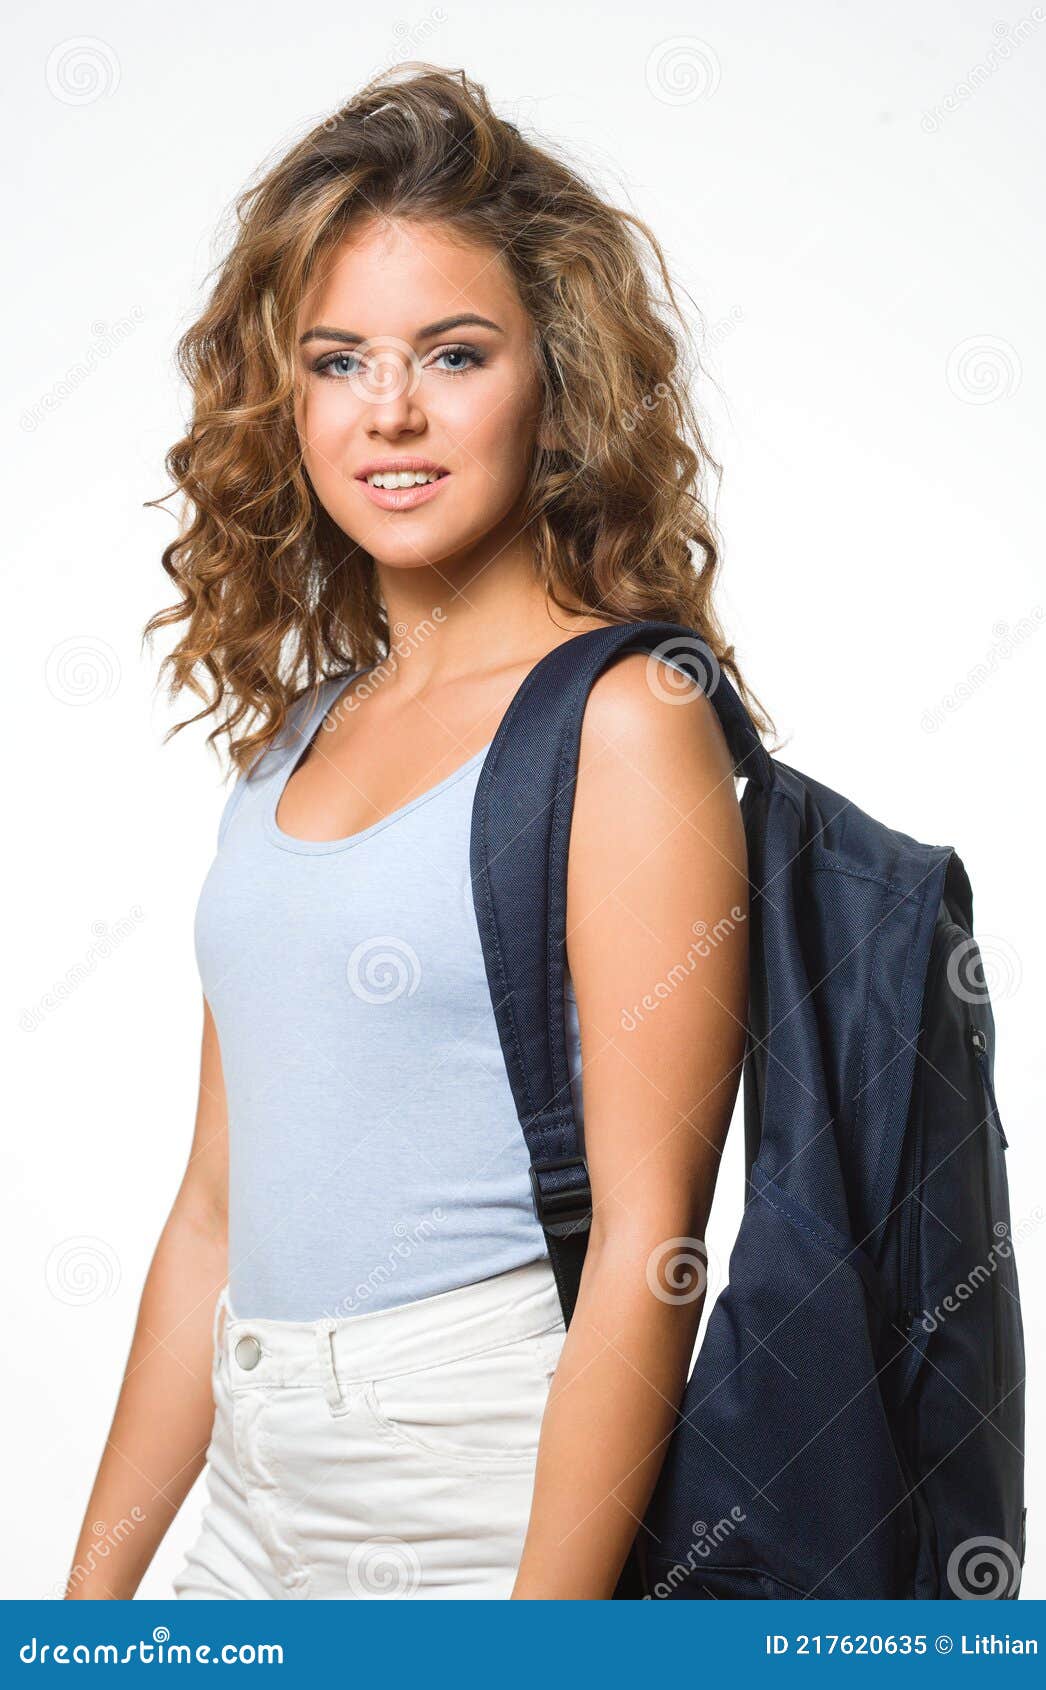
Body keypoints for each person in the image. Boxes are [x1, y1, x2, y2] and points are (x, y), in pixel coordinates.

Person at [65, 63, 770, 1601]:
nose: (390, 410)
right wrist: (87, 1609)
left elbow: (656, 1243)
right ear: (286, 399)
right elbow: (210, 1215)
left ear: (555, 380)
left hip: (483, 1477)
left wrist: (540, 1641)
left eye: (453, 354)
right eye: (337, 361)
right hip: (257, 1483)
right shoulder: (294, 740)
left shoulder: (625, 719)